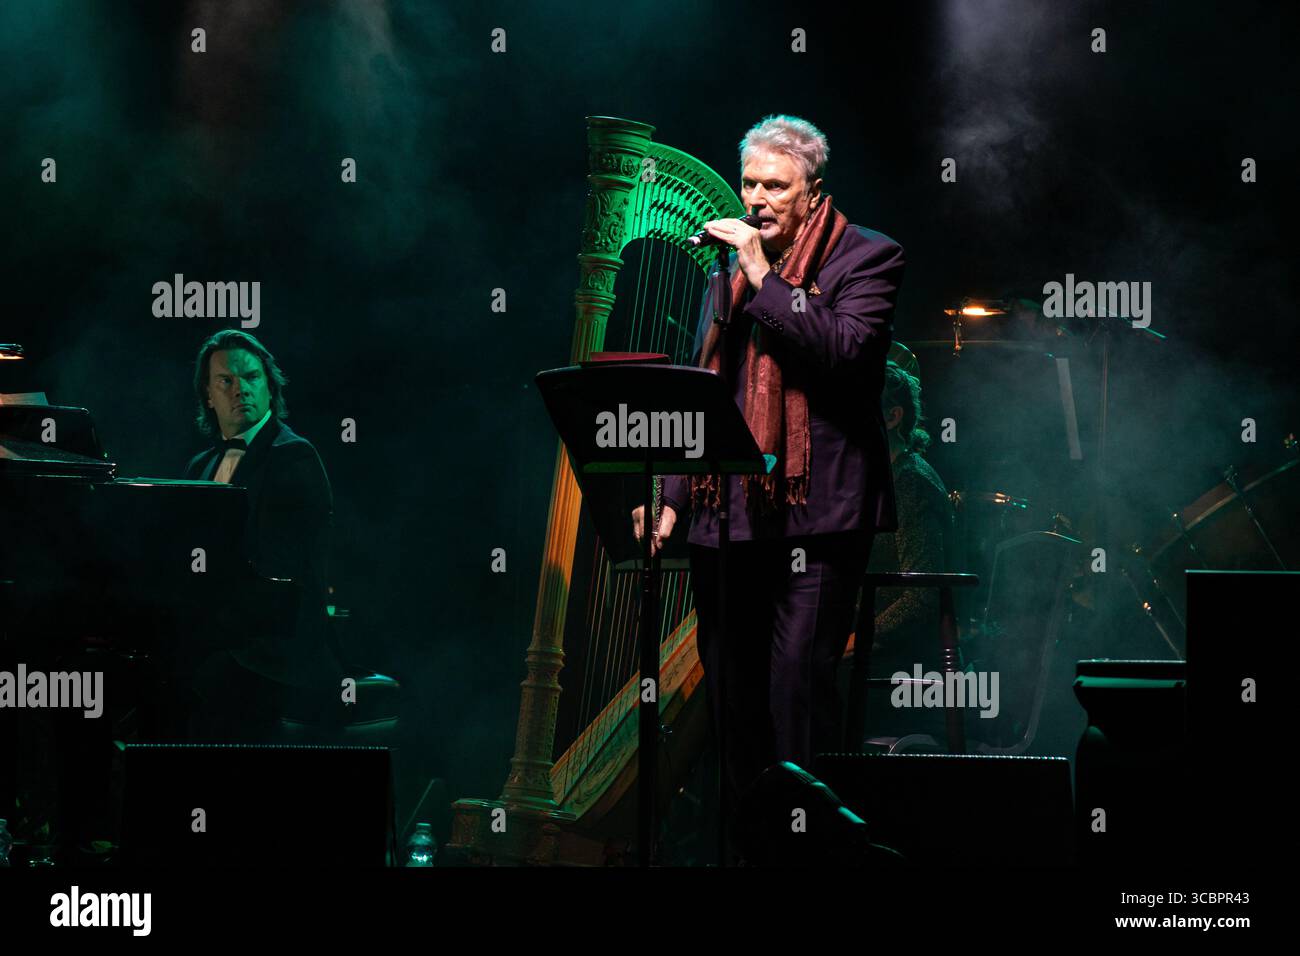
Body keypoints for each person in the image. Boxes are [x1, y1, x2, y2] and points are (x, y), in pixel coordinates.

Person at [632, 115, 904, 826]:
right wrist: (668, 496)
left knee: (796, 692)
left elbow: (843, 353)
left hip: (818, 516)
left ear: (812, 194)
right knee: (730, 696)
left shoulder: (869, 258)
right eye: (749, 181)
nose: (755, 197)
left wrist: (763, 274)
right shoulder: (722, 270)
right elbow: (705, 383)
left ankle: (810, 849)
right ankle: (748, 843)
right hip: (729, 512)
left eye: (775, 185)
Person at [181, 329, 338, 739]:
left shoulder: (294, 457)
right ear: (208, 395)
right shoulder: (199, 466)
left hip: (277, 648)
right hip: (226, 633)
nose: (240, 390)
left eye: (251, 378)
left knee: (198, 679)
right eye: (226, 381)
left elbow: (281, 574)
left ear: (270, 387)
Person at [847, 360, 953, 743]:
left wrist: (857, 638)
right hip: (868, 650)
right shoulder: (871, 479)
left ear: (892, 417)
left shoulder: (911, 484)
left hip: (898, 662)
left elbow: (921, 597)